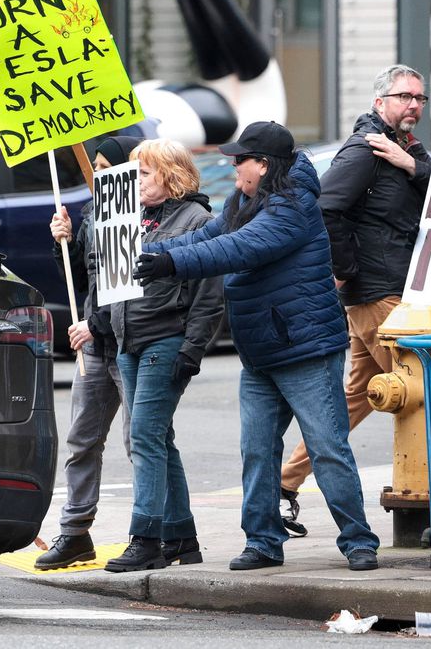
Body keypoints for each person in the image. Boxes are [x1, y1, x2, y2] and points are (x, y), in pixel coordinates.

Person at [133, 121, 381, 571]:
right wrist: (146, 249)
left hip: (304, 347)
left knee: (327, 448)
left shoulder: (295, 205)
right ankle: (263, 542)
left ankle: (358, 540)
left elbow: (240, 248)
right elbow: (206, 238)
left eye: (240, 159)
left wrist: (171, 262)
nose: (231, 166)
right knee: (256, 450)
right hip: (261, 350)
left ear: (263, 166)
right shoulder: (241, 200)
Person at [278, 64, 431, 536]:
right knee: (426, 391)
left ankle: (282, 487)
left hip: (392, 290)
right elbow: (326, 208)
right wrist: (346, 271)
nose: (412, 105)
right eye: (404, 96)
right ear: (379, 102)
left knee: (352, 400)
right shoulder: (366, 149)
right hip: (377, 295)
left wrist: (409, 164)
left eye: (419, 98)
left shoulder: (405, 147)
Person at [102, 139, 221, 572]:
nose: (135, 181)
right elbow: (105, 275)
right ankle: (182, 538)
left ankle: (146, 537)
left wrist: (192, 349)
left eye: (145, 173)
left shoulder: (197, 220)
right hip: (128, 339)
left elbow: (209, 295)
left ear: (170, 175)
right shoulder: (129, 217)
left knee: (144, 438)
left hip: (166, 338)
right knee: (158, 439)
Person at [36, 136, 142, 570]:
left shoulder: (143, 214)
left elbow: (133, 290)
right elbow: (87, 276)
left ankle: (156, 529)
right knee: (82, 440)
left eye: (104, 165)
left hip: (130, 344)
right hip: (96, 345)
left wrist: (93, 325)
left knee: (143, 443)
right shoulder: (94, 210)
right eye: (93, 165)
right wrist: (67, 242)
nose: (96, 173)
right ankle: (76, 532)